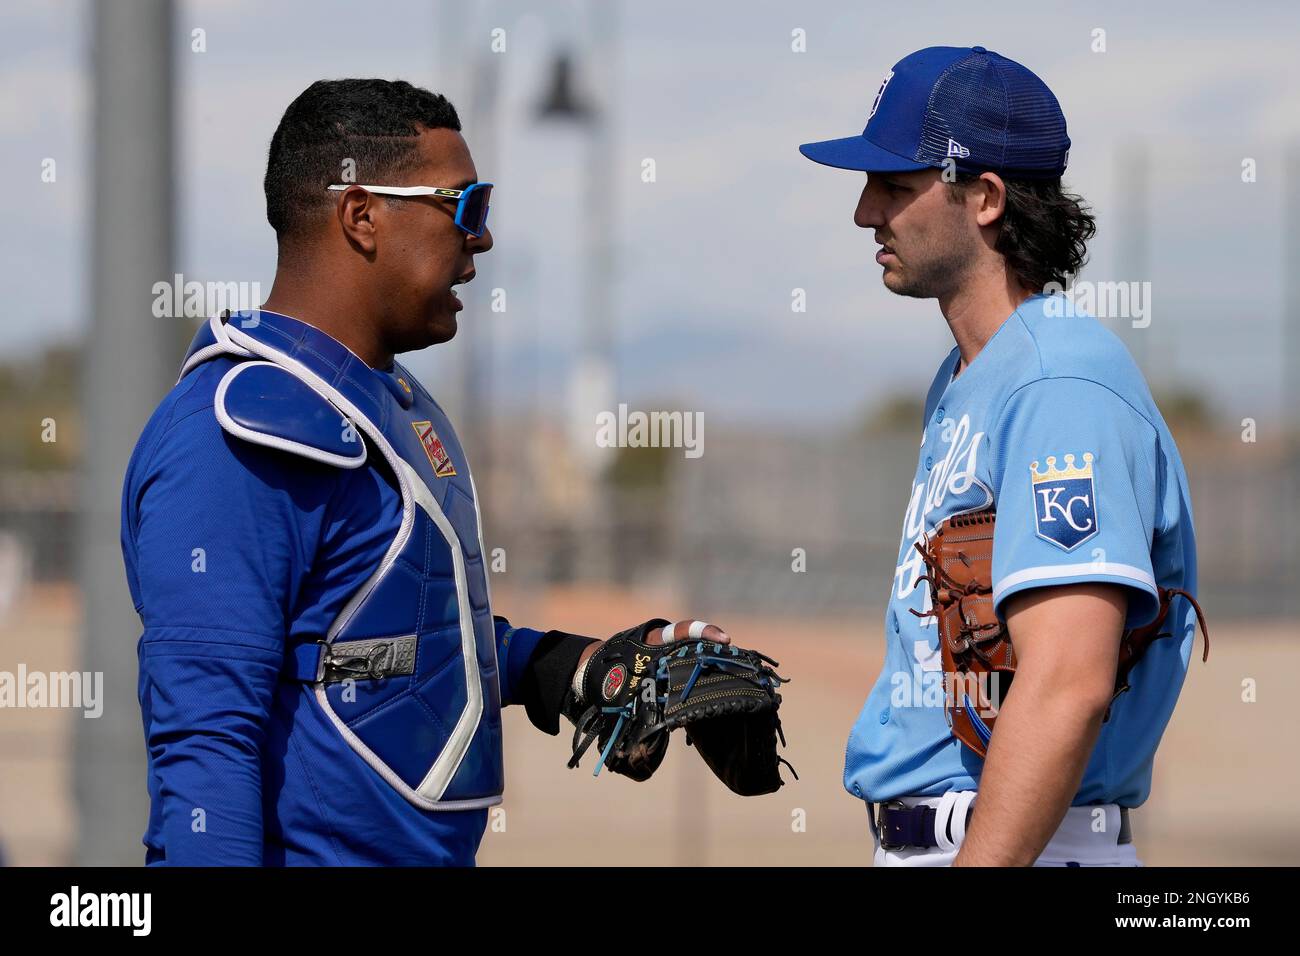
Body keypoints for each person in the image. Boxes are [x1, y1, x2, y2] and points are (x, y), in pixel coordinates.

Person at [120, 78, 727, 865]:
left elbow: (390, 640)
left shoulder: (386, 400)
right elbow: (206, 748)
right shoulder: (235, 433)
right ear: (361, 216)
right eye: (465, 206)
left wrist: (566, 670)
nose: (483, 241)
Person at [799, 46, 1204, 866]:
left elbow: (1066, 685)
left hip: (1025, 846)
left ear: (984, 198)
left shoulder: (1061, 387)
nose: (865, 213)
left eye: (895, 185)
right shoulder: (973, 376)